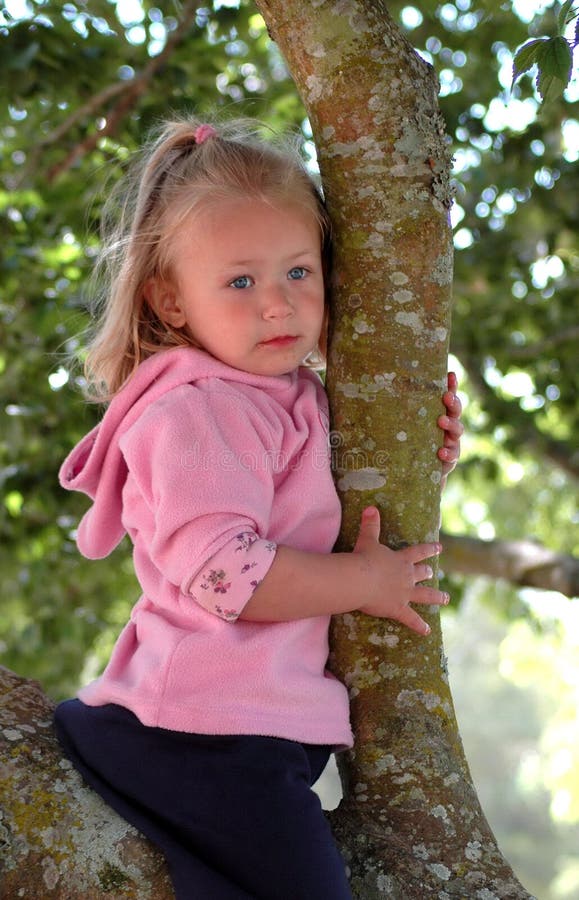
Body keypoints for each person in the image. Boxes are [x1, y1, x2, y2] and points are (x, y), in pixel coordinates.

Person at [54, 116, 463, 900]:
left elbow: (324, 489)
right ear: (170, 301)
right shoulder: (200, 409)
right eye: (240, 282)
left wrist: (428, 448)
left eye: (298, 273)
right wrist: (363, 583)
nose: (276, 306)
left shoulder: (285, 395)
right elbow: (225, 576)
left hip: (238, 734)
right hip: (196, 736)